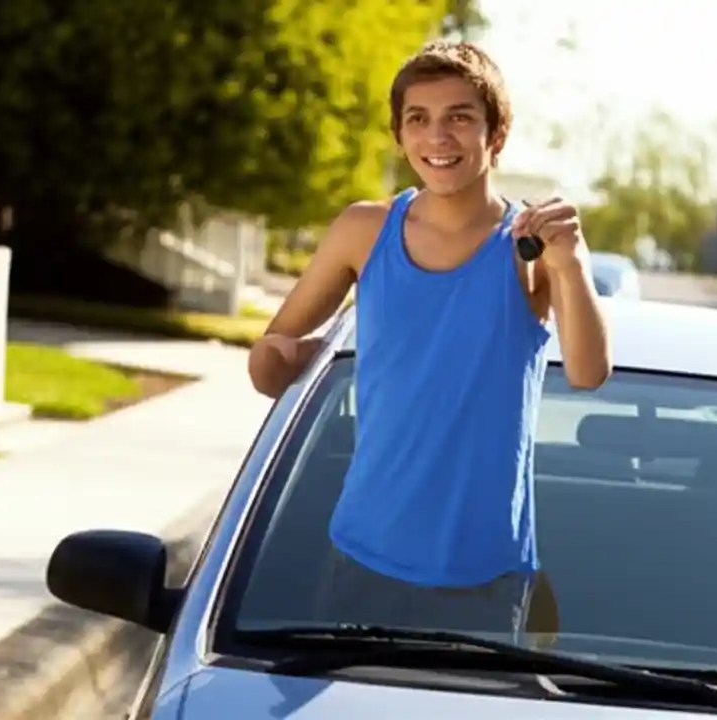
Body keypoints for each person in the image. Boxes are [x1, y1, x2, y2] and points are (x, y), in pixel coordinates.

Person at [247, 39, 611, 642]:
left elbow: (588, 372)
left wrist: (571, 264)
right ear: (399, 136)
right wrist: (287, 359)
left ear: (496, 134)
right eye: (418, 119)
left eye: (459, 117)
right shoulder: (363, 230)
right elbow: (271, 360)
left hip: (486, 574)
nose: (437, 137)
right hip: (361, 555)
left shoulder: (531, 249)